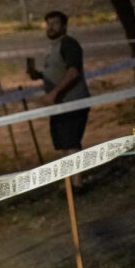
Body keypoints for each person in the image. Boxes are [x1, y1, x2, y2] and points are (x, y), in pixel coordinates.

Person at [28, 11, 90, 167]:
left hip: (71, 102)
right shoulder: (53, 47)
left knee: (71, 144)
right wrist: (39, 75)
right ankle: (70, 185)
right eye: (48, 24)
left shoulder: (68, 44)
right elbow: (59, 71)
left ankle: (77, 185)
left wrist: (53, 94)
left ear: (64, 26)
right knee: (63, 143)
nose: (50, 27)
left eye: (54, 23)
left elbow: (73, 71)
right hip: (59, 104)